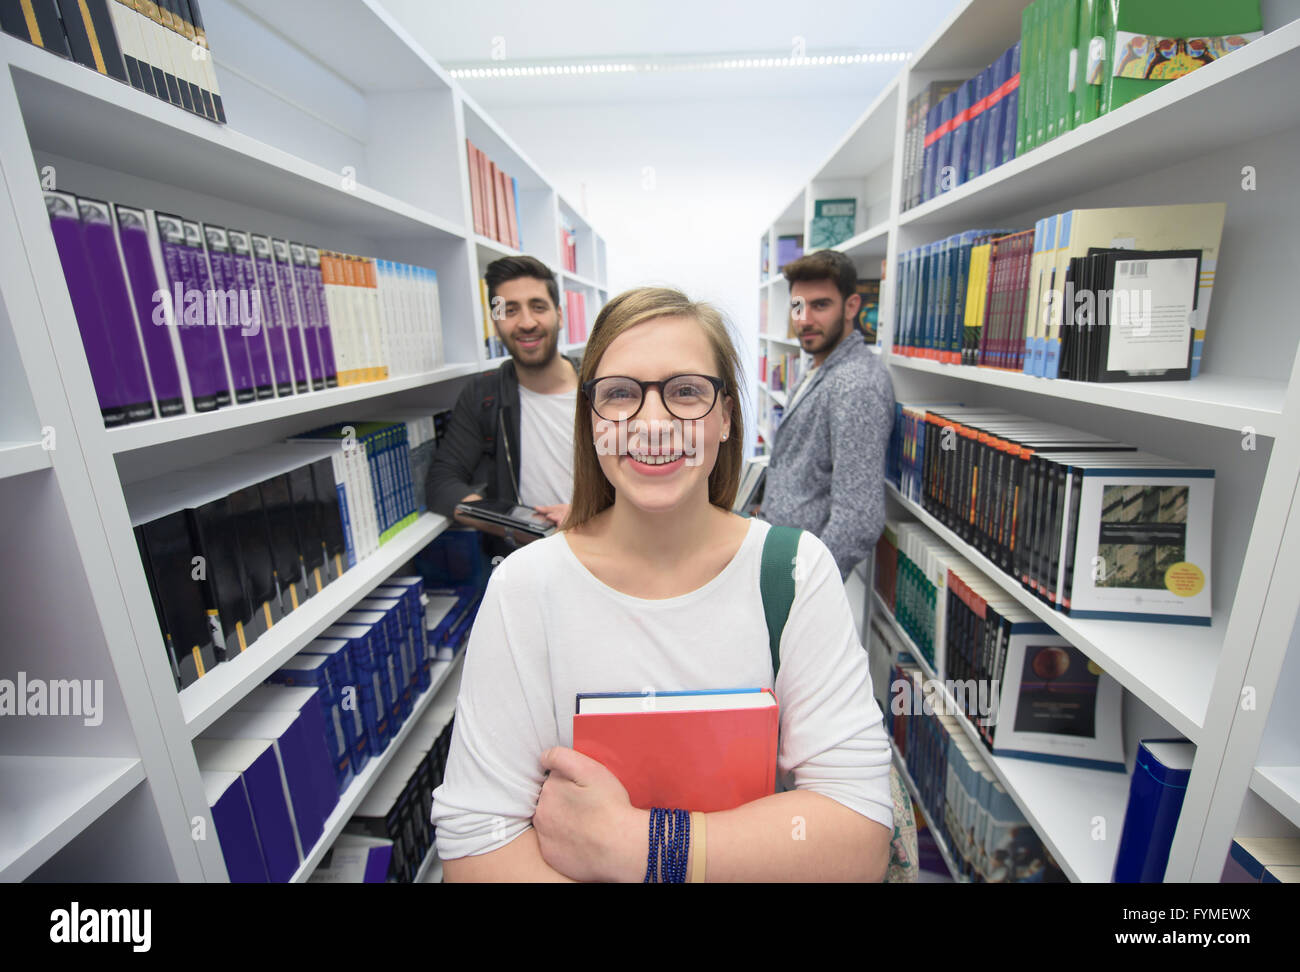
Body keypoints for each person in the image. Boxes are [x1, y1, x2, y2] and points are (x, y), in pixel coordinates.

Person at [431, 286, 893, 882]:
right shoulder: (526, 586)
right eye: (620, 394)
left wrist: (642, 846)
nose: (653, 423)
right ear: (591, 419)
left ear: (727, 418)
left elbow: (858, 835)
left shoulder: (796, 572)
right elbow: (477, 843)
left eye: (687, 391)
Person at [425, 256, 580, 552]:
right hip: (530, 560)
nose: (526, 323)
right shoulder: (483, 393)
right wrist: (522, 527)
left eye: (538, 307)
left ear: (559, 315)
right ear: (495, 322)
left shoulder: (603, 389)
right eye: (509, 310)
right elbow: (441, 485)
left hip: (608, 551)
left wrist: (589, 515)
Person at [760, 249, 895, 579]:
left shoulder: (856, 384)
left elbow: (859, 517)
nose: (804, 320)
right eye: (797, 306)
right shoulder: (818, 365)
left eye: (820, 305)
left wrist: (802, 584)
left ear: (851, 307)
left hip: (798, 572)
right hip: (780, 547)